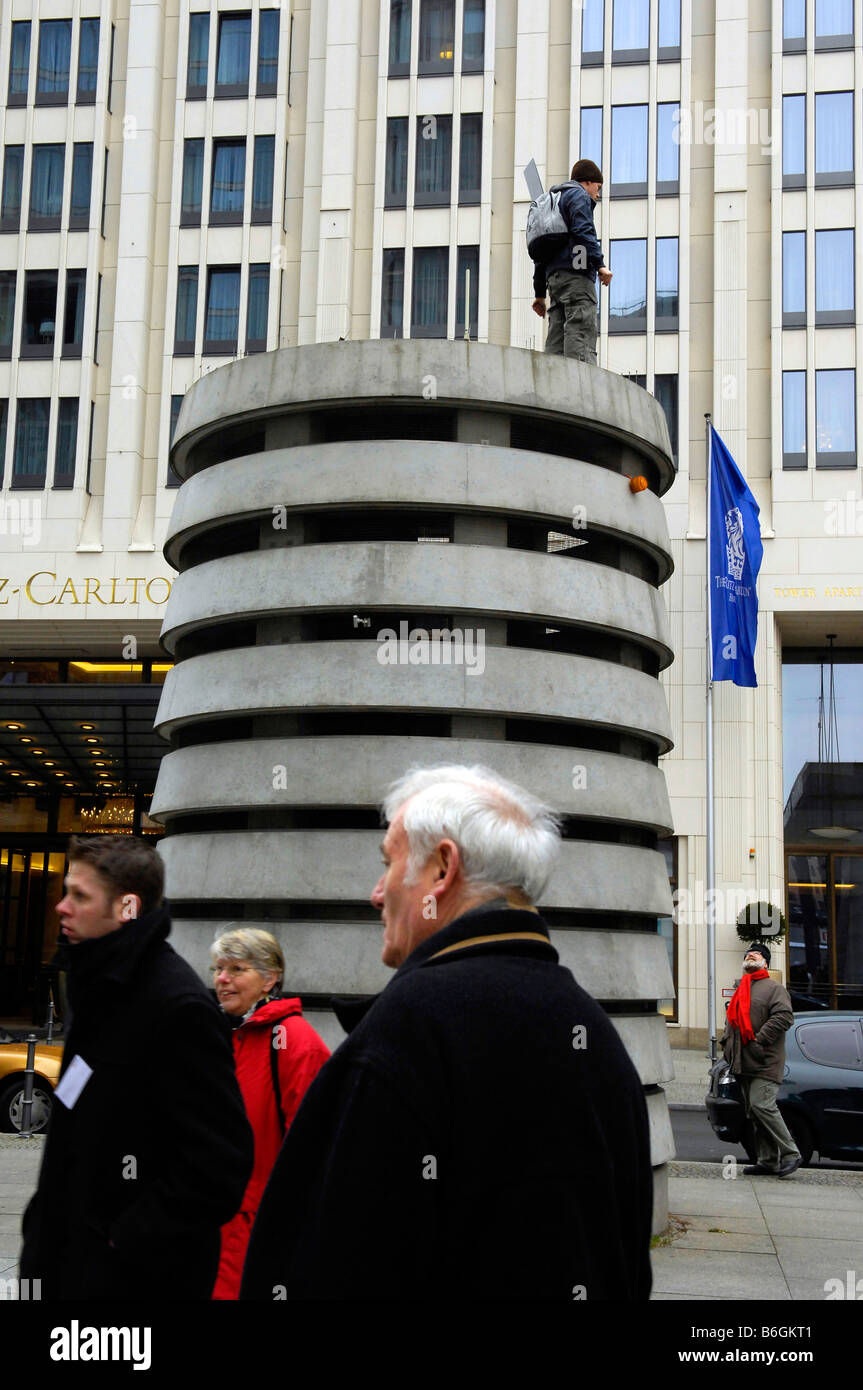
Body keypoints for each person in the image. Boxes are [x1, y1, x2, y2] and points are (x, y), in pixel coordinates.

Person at [241, 764, 653, 1301]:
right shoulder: (594, 1031)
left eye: (388, 863)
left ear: (441, 870)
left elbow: (331, 1266)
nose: (375, 893)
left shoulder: (408, 1031)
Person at [19, 836, 253, 1300]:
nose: (62, 907)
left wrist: (119, 1240)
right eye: (67, 891)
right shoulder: (99, 986)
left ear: (128, 907)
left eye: (79, 896)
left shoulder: (177, 1007)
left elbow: (218, 1167)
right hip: (66, 1268)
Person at [210, 928, 330, 1299]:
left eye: (236, 969)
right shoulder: (229, 1036)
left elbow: (315, 1148)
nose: (222, 979)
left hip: (260, 1227)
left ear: (270, 978)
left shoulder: (293, 1040)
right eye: (218, 968)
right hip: (220, 1224)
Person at [721, 942, 802, 1178]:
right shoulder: (741, 989)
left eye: (756, 954)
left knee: (762, 1105)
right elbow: (731, 1024)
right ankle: (767, 1161)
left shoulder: (774, 989)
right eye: (748, 953)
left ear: (765, 963)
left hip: (766, 1061)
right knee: (754, 1113)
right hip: (743, 1063)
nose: (750, 955)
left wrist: (759, 1041)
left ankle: (791, 1153)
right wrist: (726, 1045)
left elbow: (784, 1017)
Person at [531, 158, 612, 364]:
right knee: (580, 333)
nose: (598, 194)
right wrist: (600, 265)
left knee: (556, 342)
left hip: (555, 283)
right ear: (587, 182)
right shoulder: (578, 195)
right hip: (576, 278)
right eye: (598, 187)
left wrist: (540, 293)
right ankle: (582, 391)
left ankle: (553, 389)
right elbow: (583, 231)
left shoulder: (552, 202)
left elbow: (542, 251)